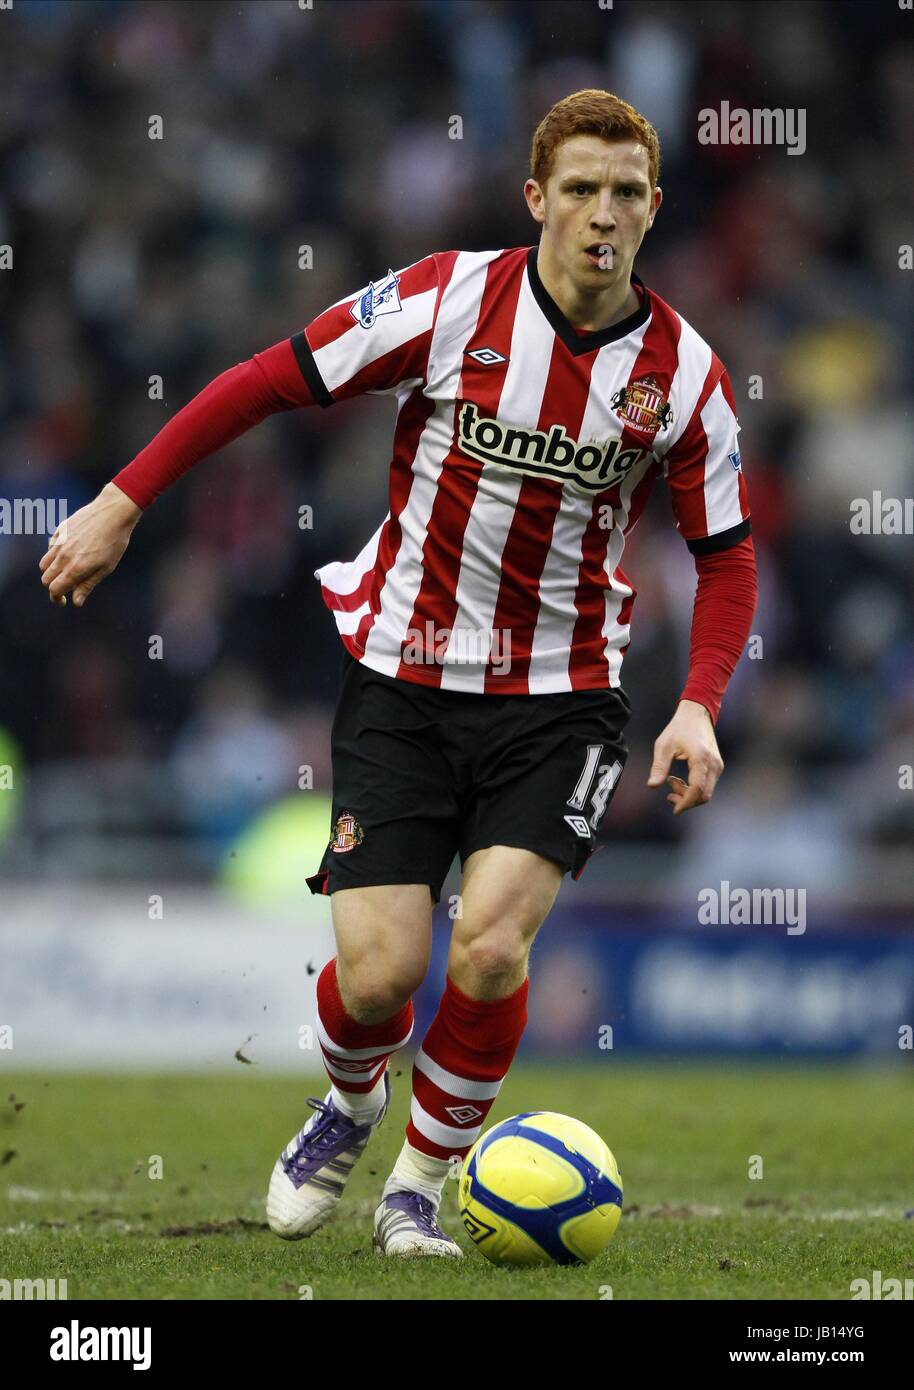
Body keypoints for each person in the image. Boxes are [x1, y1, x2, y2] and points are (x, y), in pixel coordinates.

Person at [38, 89, 757, 1258]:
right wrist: (124, 501)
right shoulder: (445, 299)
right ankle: (351, 1098)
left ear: (653, 208)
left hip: (563, 693)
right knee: (379, 978)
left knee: (488, 947)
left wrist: (698, 704)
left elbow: (725, 555)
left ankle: (417, 1190)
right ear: (535, 199)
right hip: (403, 674)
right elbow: (269, 378)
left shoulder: (681, 376)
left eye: (625, 193)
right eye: (578, 189)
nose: (601, 215)